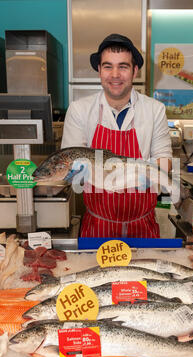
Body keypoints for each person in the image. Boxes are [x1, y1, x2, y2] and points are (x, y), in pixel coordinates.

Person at [61, 33, 172, 238]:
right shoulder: (79, 110)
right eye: (107, 66)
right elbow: (72, 170)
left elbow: (164, 162)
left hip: (143, 227)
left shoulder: (155, 110)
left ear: (134, 71)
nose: (115, 74)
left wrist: (132, 180)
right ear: (99, 71)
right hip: (97, 226)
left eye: (123, 66)